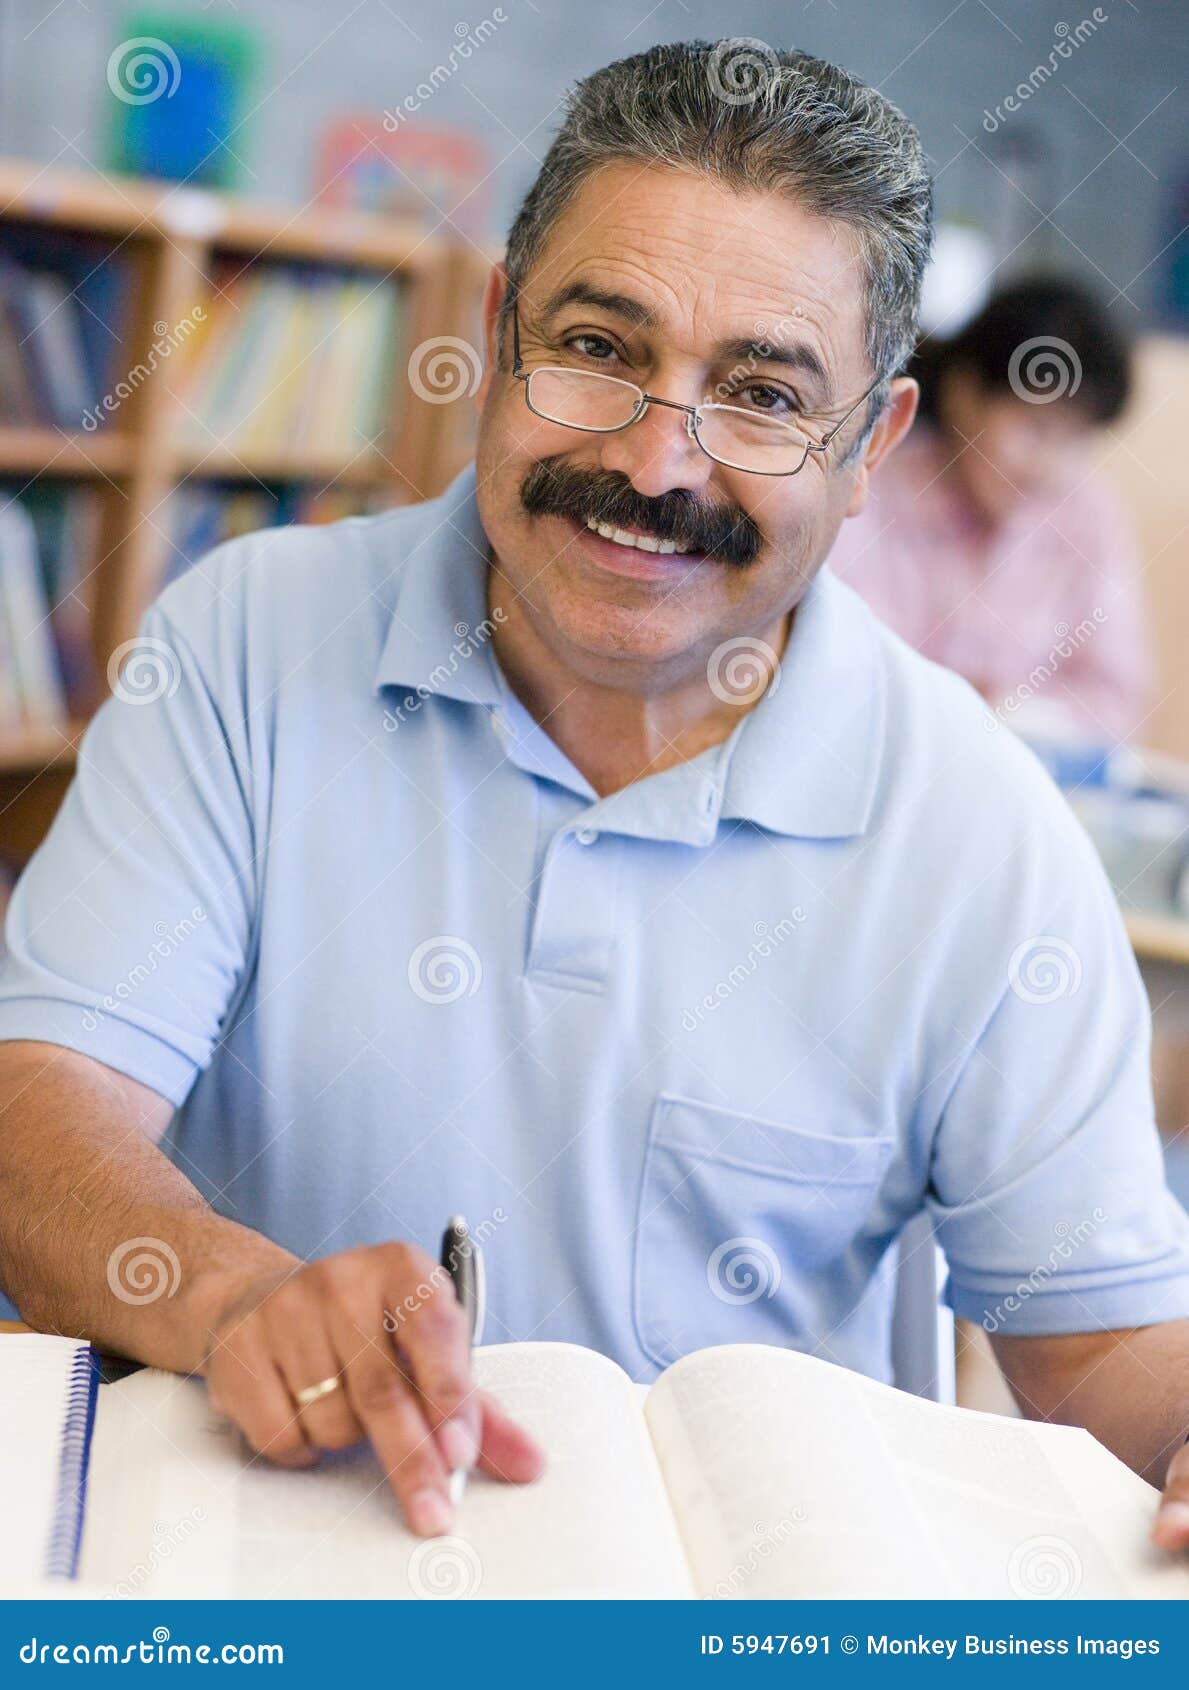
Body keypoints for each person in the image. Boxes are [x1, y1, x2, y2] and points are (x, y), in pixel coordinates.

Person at [1, 41, 1188, 1556]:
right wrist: (232, 1291)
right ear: (499, 334)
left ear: (871, 445)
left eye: (761, 394)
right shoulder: (238, 644)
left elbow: (1097, 1342)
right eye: (599, 350)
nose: (651, 460)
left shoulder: (980, 825)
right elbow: (41, 1109)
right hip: (278, 1564)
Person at [830, 278, 1150, 742]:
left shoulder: (1086, 515)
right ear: (965, 395)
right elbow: (829, 668)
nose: (1049, 465)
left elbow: (1118, 700)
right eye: (1036, 429)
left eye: (1074, 439)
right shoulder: (870, 488)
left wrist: (1003, 706)